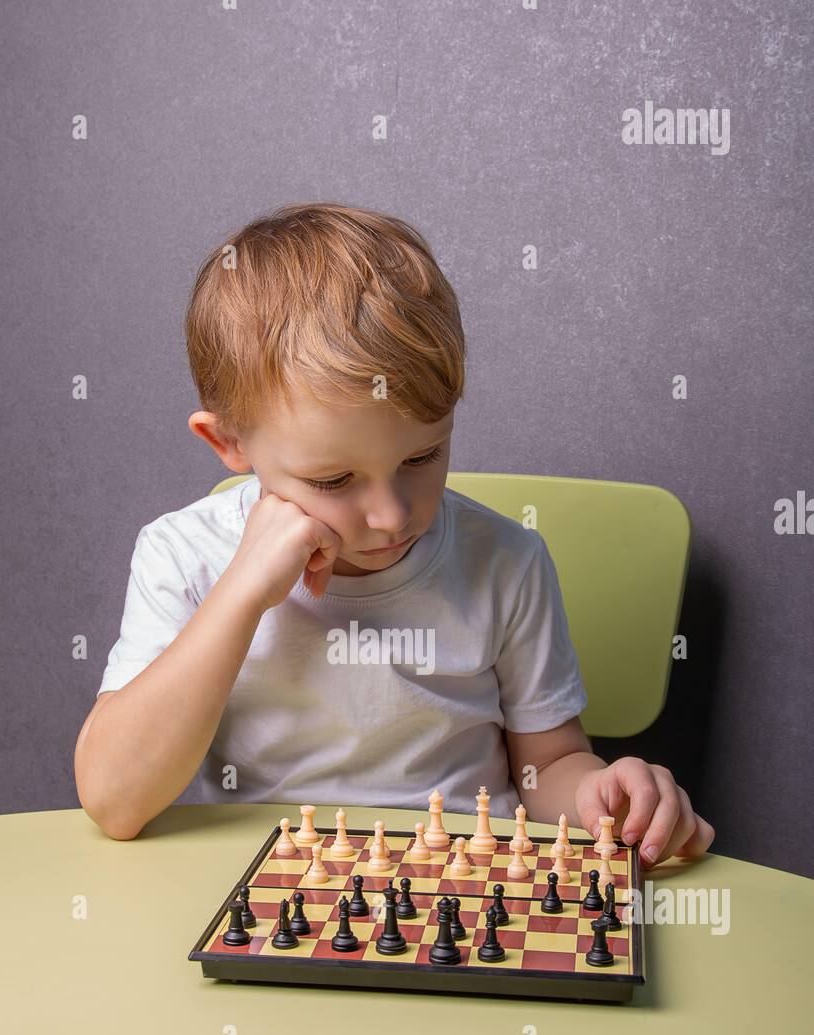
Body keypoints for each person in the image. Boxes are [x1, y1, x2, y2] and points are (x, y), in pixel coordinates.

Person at [74, 202, 713, 866]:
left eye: (421, 458)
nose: (392, 516)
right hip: (244, 900)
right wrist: (240, 594)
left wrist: (598, 792)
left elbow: (547, 767)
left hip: (454, 890)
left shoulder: (506, 562)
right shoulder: (183, 555)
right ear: (227, 442)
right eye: (333, 479)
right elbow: (117, 801)